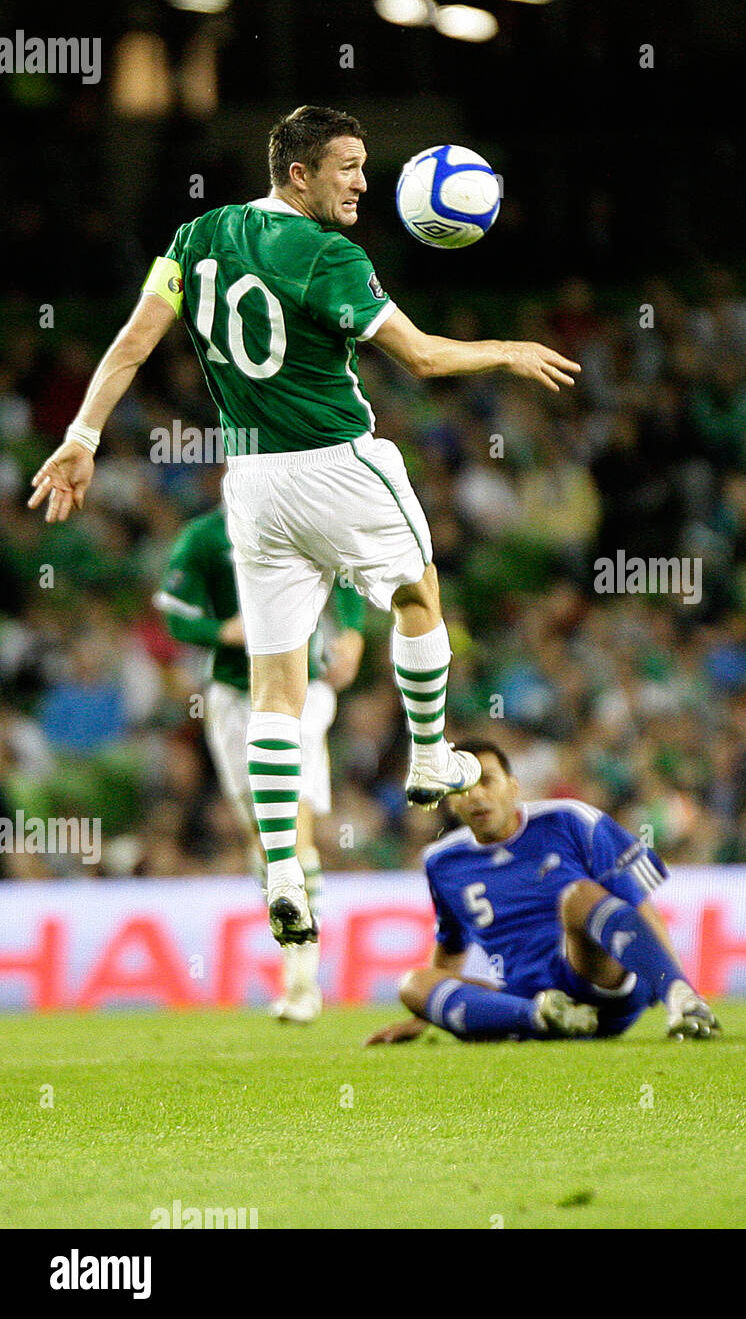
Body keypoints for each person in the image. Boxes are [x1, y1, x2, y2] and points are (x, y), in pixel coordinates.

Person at [28, 105, 581, 948]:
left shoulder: (195, 236)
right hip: (337, 464)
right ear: (299, 175)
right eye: (349, 167)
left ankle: (282, 870)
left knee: (277, 688)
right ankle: (430, 756)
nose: (365, 182)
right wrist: (505, 347)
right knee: (419, 596)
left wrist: (81, 437)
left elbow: (135, 343)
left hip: (251, 485)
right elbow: (425, 358)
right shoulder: (329, 254)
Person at [155, 502, 366, 1022]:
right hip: (232, 694)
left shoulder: (308, 513)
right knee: (261, 835)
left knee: (294, 823)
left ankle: (302, 980)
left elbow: (347, 575)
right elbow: (173, 614)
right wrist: (219, 632)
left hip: (303, 686)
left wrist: (355, 633)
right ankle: (294, 963)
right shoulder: (204, 537)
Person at [364, 740, 720, 1044]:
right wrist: (425, 1015)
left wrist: (678, 987)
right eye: (462, 789)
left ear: (513, 786)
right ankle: (545, 1017)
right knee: (412, 984)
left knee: (577, 897)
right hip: (527, 995)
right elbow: (451, 946)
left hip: (599, 980)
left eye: (487, 781)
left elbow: (639, 906)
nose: (476, 796)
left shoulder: (569, 820)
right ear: (450, 802)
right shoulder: (442, 861)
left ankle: (679, 999)